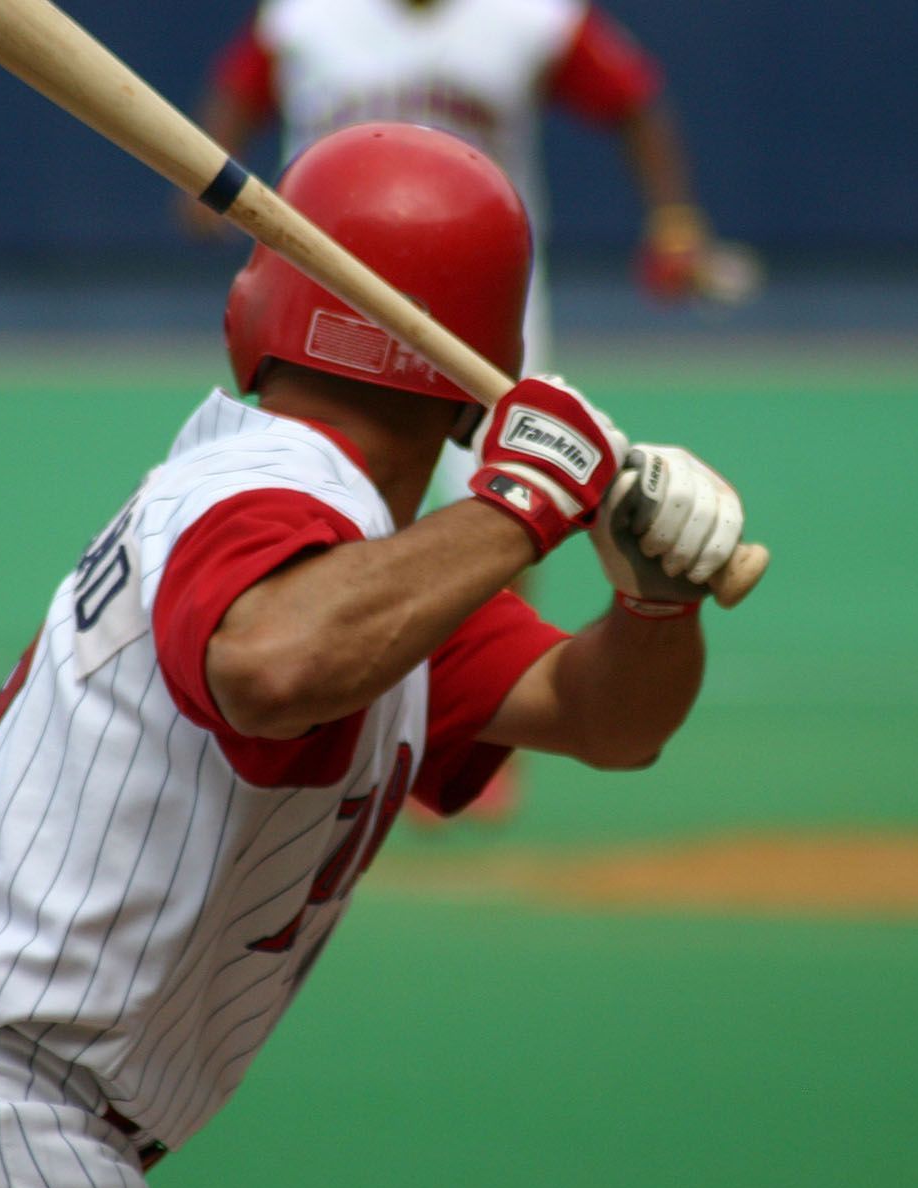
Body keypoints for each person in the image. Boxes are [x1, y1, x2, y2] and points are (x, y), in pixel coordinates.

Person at [0, 123, 749, 1188]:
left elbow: (605, 720)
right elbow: (274, 665)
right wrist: (520, 502)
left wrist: (652, 604)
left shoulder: (368, 573)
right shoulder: (263, 487)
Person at [180, 0, 760, 818]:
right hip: (319, 305)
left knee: (475, 499)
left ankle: (477, 732)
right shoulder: (305, 15)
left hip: (474, 305)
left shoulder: (532, 16)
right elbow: (268, 672)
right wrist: (538, 501)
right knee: (429, 499)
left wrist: (654, 609)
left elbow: (633, 100)